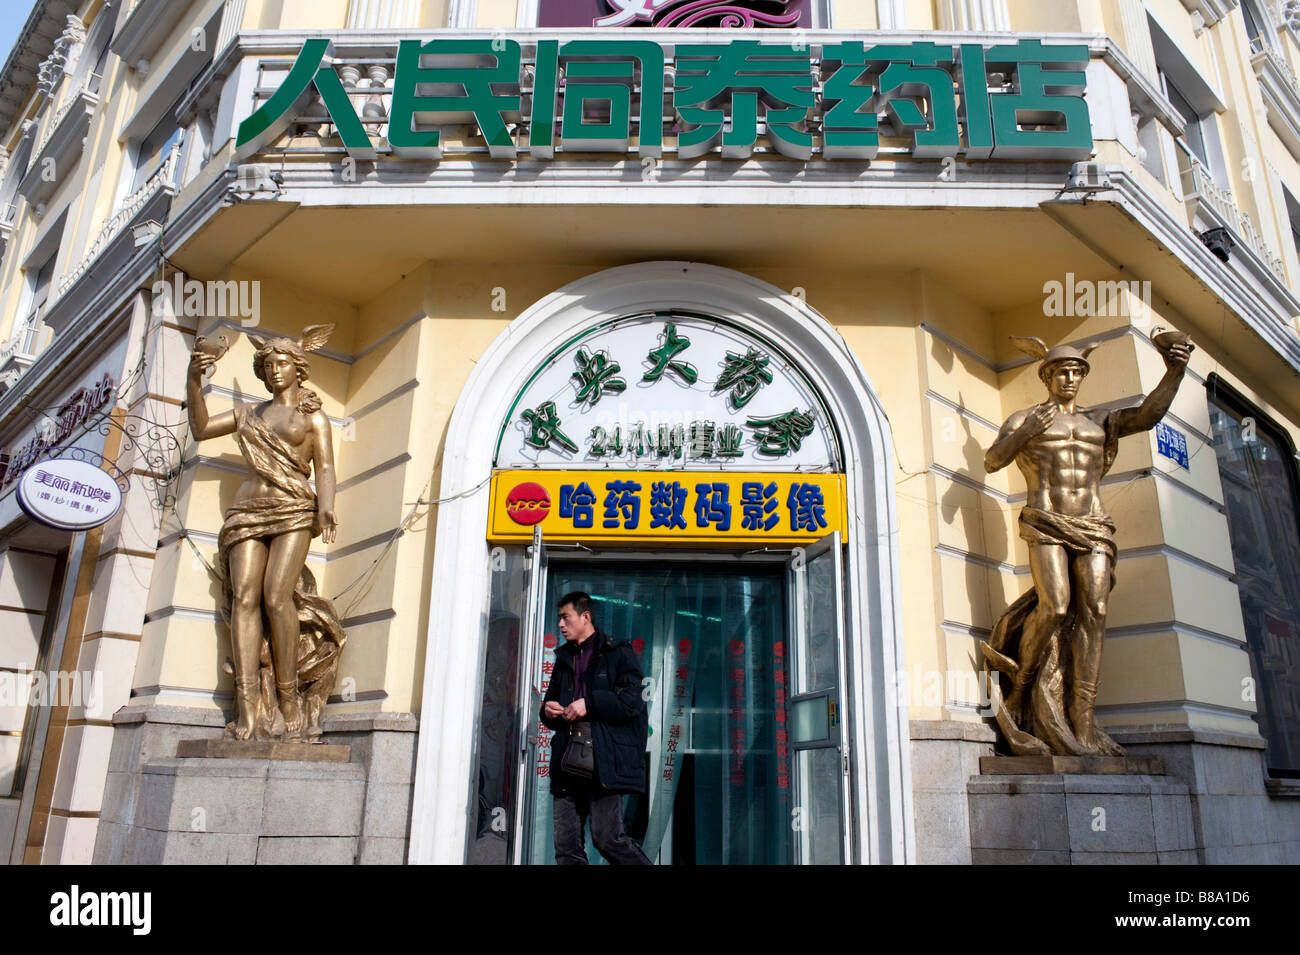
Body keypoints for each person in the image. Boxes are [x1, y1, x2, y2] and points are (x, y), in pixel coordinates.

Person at [981, 333, 1191, 756]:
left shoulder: (1100, 421)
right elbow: (992, 460)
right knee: (1055, 605)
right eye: (1062, 371)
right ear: (1047, 376)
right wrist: (1025, 435)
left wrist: (1176, 370)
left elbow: (1149, 415)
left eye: (1077, 371)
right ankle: (1020, 691)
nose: (1070, 378)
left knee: (1094, 612)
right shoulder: (1026, 419)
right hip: (1044, 520)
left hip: (1093, 524)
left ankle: (1083, 721)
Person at [187, 325, 346, 741]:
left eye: (282, 363)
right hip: (247, 509)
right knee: (243, 598)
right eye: (268, 364)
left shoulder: (313, 416)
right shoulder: (248, 414)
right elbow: (201, 429)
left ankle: (288, 696)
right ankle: (246, 703)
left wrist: (326, 505)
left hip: (294, 506)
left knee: (277, 595)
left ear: (299, 368)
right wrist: (194, 378)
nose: (275, 370)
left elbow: (325, 467)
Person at [540, 591, 652, 865]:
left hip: (604, 760)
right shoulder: (564, 658)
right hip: (568, 760)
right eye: (559, 619)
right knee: (567, 849)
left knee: (608, 838)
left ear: (585, 616)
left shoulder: (617, 652)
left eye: (565, 618)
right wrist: (548, 710)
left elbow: (631, 703)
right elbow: (551, 709)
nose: (561, 625)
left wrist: (589, 704)